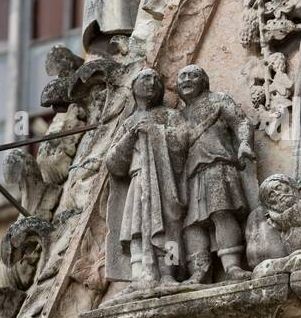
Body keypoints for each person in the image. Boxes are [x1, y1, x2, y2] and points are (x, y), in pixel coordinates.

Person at [172, 65, 258, 283]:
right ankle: (199, 271)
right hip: (190, 177)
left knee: (222, 213)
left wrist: (245, 143)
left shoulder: (218, 100)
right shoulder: (178, 117)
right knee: (191, 225)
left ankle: (232, 267)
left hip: (217, 167)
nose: (187, 79)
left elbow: (241, 121)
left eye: (193, 75)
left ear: (204, 81)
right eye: (182, 76)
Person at [105, 68, 184, 289]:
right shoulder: (128, 123)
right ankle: (138, 275)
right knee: (137, 228)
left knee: (170, 227)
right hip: (139, 180)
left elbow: (182, 145)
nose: (152, 83)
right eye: (146, 78)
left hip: (165, 181)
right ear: (134, 87)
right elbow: (112, 164)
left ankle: (169, 272)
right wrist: (130, 137)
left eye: (157, 80)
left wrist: (156, 131)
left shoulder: (170, 115)